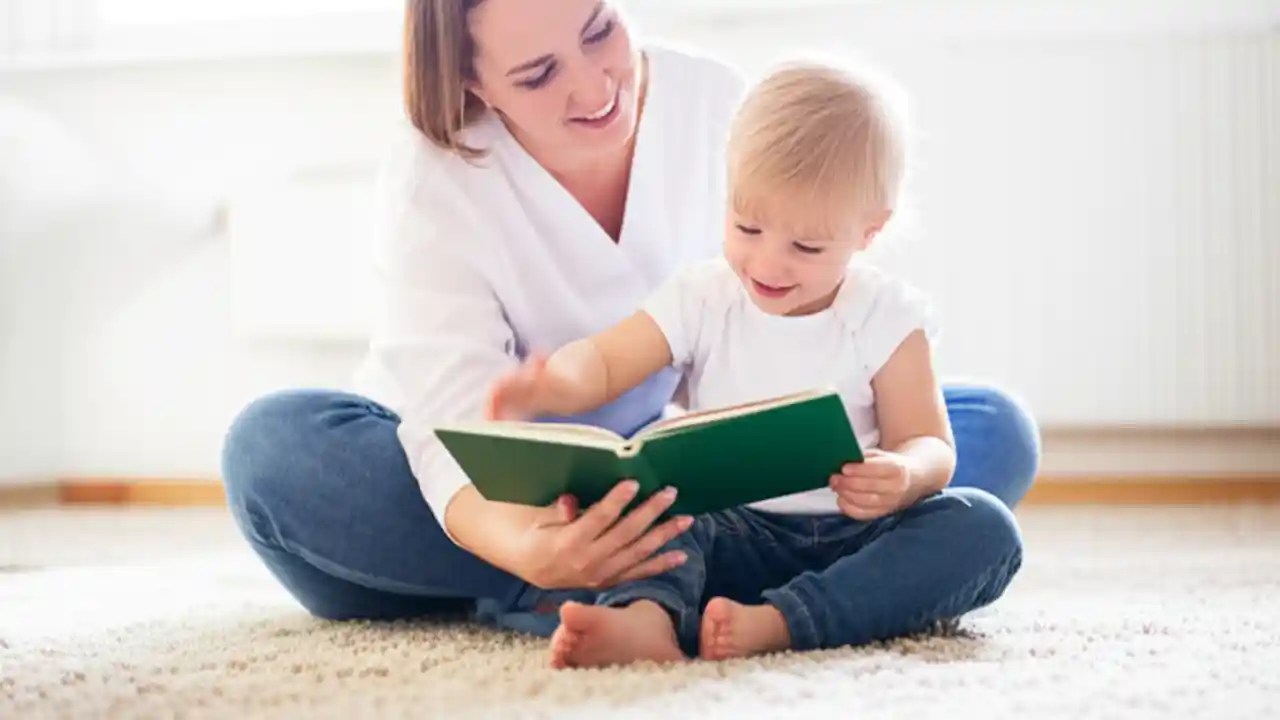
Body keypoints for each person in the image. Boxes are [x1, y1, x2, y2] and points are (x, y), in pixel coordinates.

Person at [220, 0, 1039, 626]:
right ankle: (617, 581)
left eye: (600, 28)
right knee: (275, 453)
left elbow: (818, 277)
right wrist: (526, 547)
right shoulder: (436, 175)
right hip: (510, 496)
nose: (595, 86)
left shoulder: (717, 100)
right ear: (472, 83)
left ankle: (652, 586)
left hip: (717, 484)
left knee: (990, 431)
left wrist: (894, 465)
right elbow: (445, 429)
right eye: (537, 75)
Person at [484, 61, 1022, 668]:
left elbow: (928, 441)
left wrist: (904, 472)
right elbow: (609, 361)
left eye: (806, 247)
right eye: (747, 226)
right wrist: (555, 381)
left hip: (853, 538)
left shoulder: (887, 317)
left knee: (984, 530)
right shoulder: (704, 295)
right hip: (728, 532)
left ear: (869, 232)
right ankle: (646, 619)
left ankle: (783, 623)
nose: (768, 263)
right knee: (651, 504)